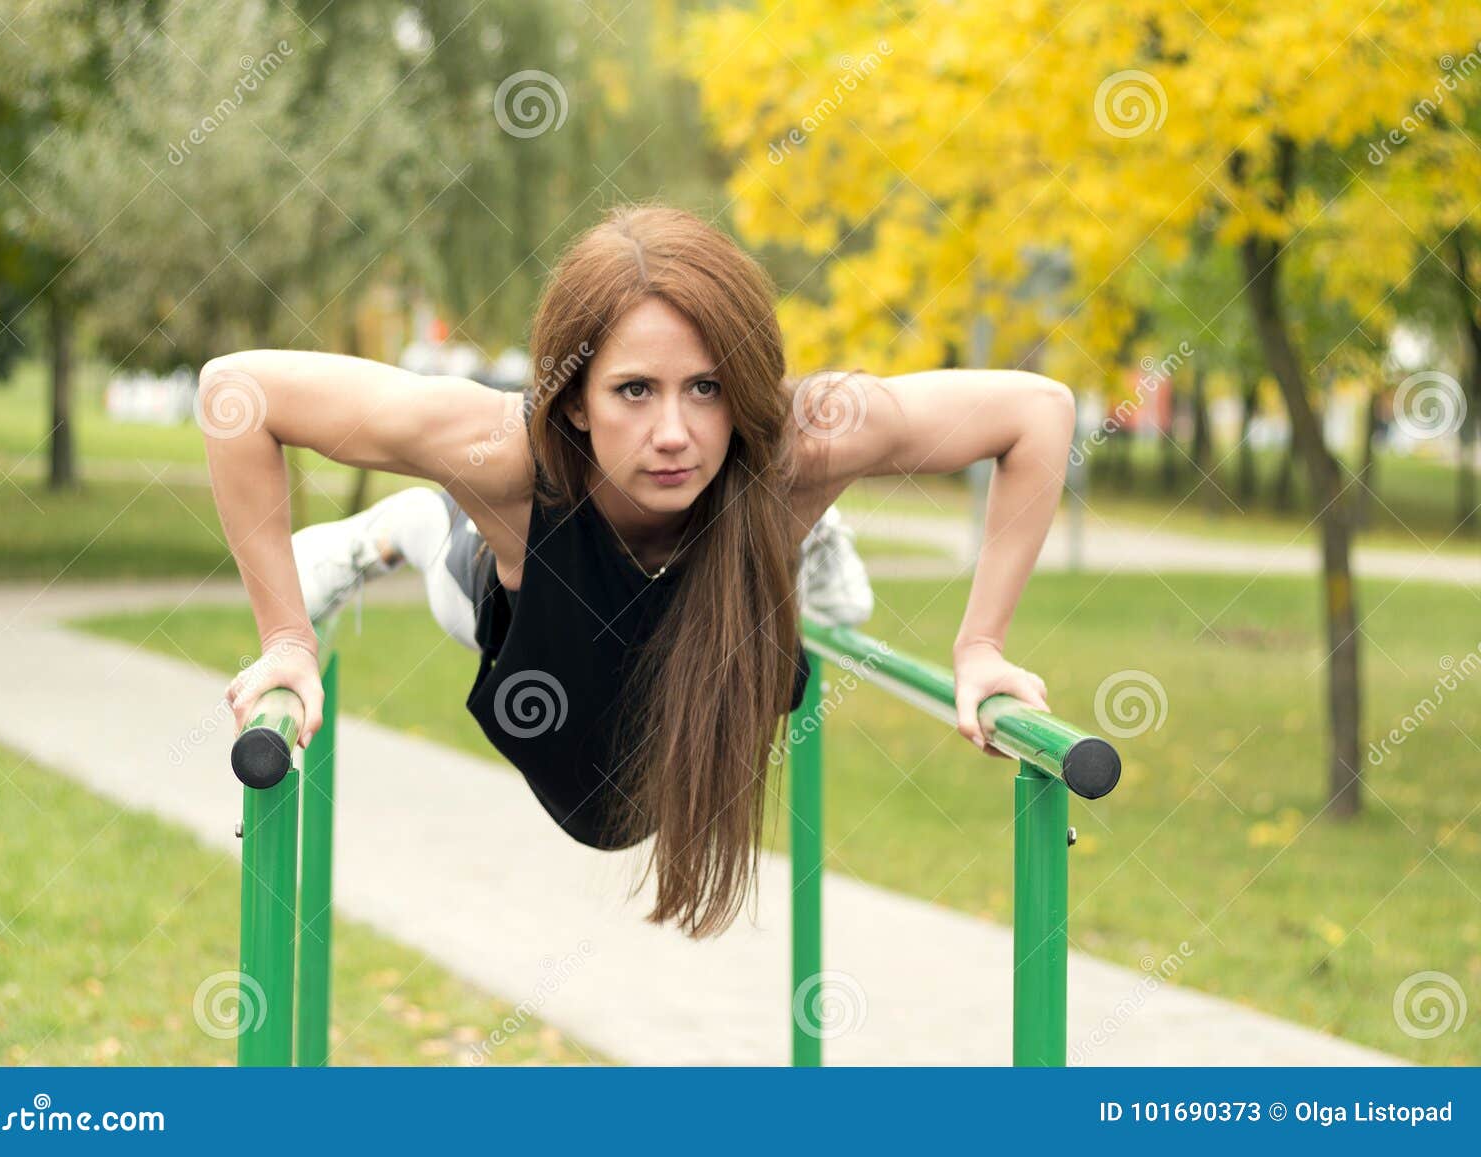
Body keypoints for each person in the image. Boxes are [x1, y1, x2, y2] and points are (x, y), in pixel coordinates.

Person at [202, 204, 1071, 939]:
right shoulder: (503, 448)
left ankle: (808, 542)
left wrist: (981, 643)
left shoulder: (810, 435)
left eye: (707, 388)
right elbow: (236, 393)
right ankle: (395, 529)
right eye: (633, 391)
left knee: (775, 494)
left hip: (720, 624)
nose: (673, 433)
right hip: (524, 622)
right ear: (575, 398)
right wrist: (286, 635)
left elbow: (1038, 411)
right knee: (448, 546)